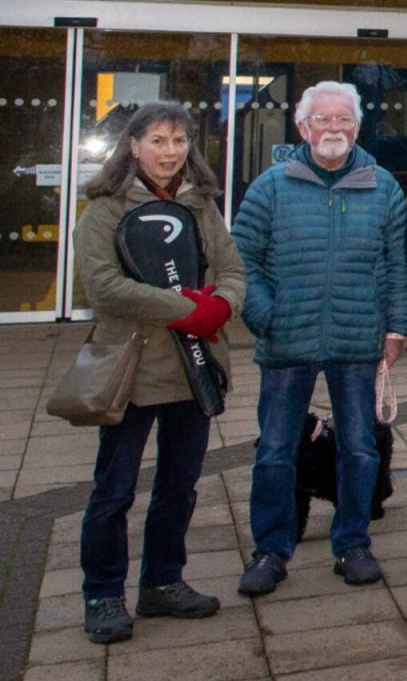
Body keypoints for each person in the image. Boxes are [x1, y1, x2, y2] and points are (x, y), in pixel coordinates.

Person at [75, 104, 246, 644]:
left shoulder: (201, 205)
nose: (169, 151)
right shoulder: (105, 210)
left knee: (179, 487)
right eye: (157, 140)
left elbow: (234, 269)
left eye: (178, 141)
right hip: (131, 368)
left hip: (194, 369)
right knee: (115, 490)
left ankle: (163, 583)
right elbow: (104, 287)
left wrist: (221, 305)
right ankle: (103, 593)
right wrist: (185, 309)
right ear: (134, 144)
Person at [234, 82, 407, 598]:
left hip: (358, 339)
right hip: (287, 340)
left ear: (357, 127)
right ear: (302, 125)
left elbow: (398, 265)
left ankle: (352, 544)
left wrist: (397, 327)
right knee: (274, 451)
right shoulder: (270, 187)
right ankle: (270, 550)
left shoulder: (383, 187)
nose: (333, 128)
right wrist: (266, 315)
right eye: (323, 119)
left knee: (359, 449)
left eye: (344, 120)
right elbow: (240, 260)